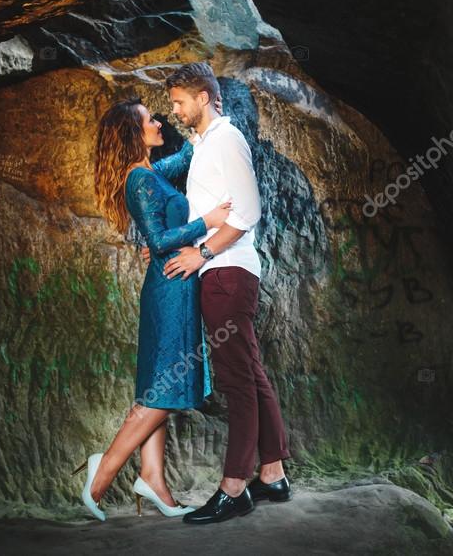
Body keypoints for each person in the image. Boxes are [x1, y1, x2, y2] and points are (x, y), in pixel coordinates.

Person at [73, 97, 232, 521]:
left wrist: (207, 117)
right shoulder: (138, 181)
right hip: (170, 287)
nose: (159, 122)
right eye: (149, 120)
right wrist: (209, 221)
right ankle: (101, 473)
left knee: (157, 386)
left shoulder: (148, 172)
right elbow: (159, 241)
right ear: (132, 132)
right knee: (165, 389)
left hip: (174, 284)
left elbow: (184, 158)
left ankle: (153, 476)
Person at [158, 62, 293, 525]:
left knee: (236, 382)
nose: (174, 110)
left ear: (202, 96)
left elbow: (249, 209)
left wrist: (202, 254)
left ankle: (234, 488)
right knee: (252, 374)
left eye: (178, 101)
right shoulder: (207, 144)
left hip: (226, 274)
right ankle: (272, 473)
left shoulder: (227, 140)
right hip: (229, 273)